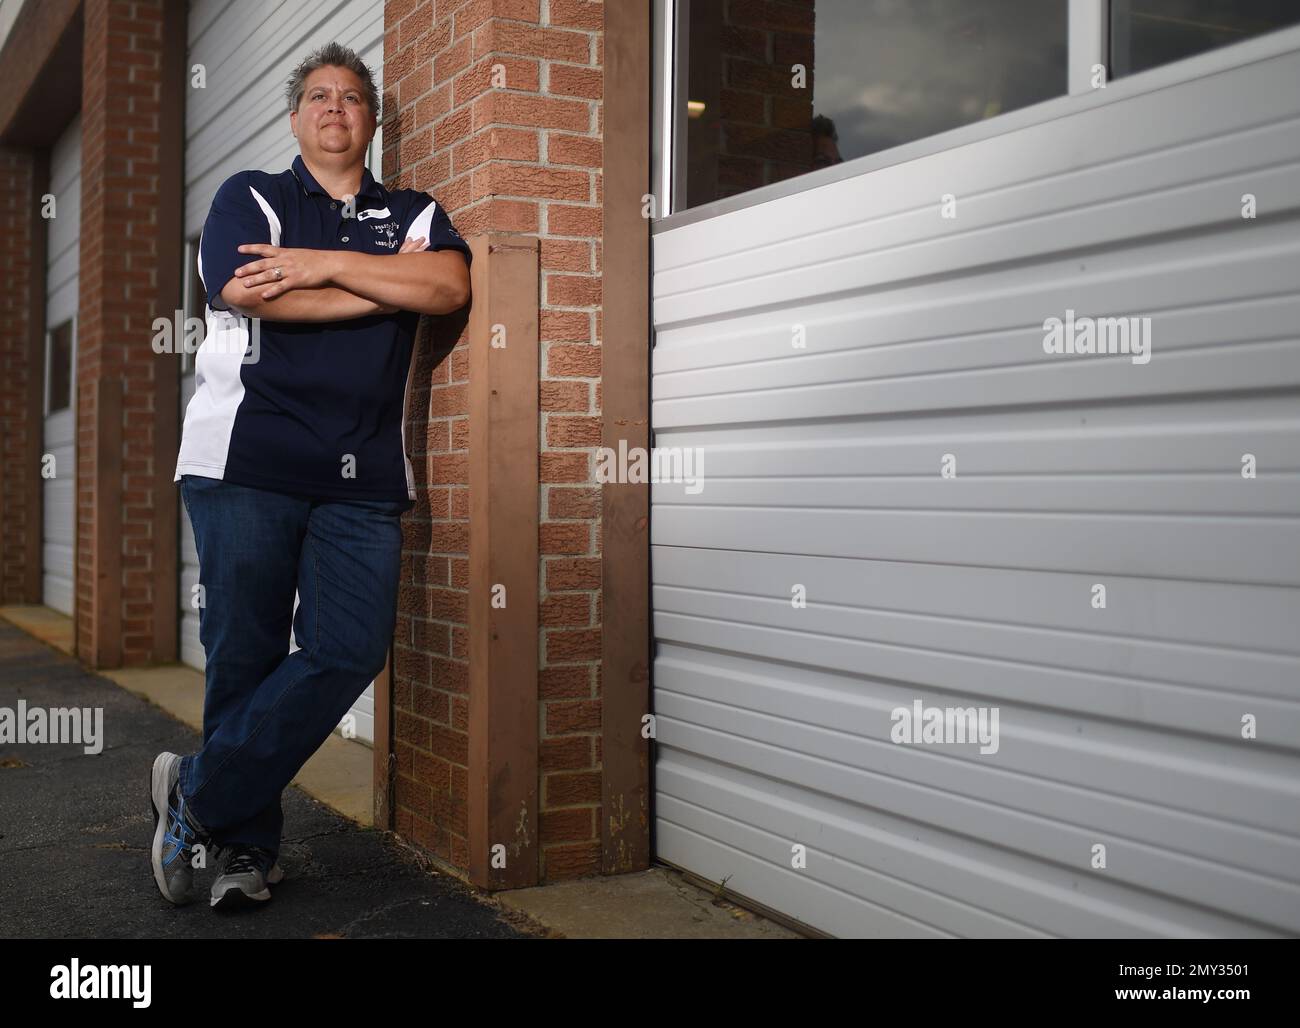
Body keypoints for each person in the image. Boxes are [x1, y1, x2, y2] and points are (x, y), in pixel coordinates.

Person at [149, 42, 471, 910]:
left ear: (371, 122)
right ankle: (243, 851)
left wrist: (325, 263)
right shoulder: (253, 194)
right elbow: (243, 288)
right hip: (244, 461)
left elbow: (443, 286)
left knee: (349, 646)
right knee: (245, 654)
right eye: (319, 96)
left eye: (354, 98)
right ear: (296, 118)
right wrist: (384, 288)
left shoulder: (413, 209)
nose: (336, 107)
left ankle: (198, 793)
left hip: (364, 472)